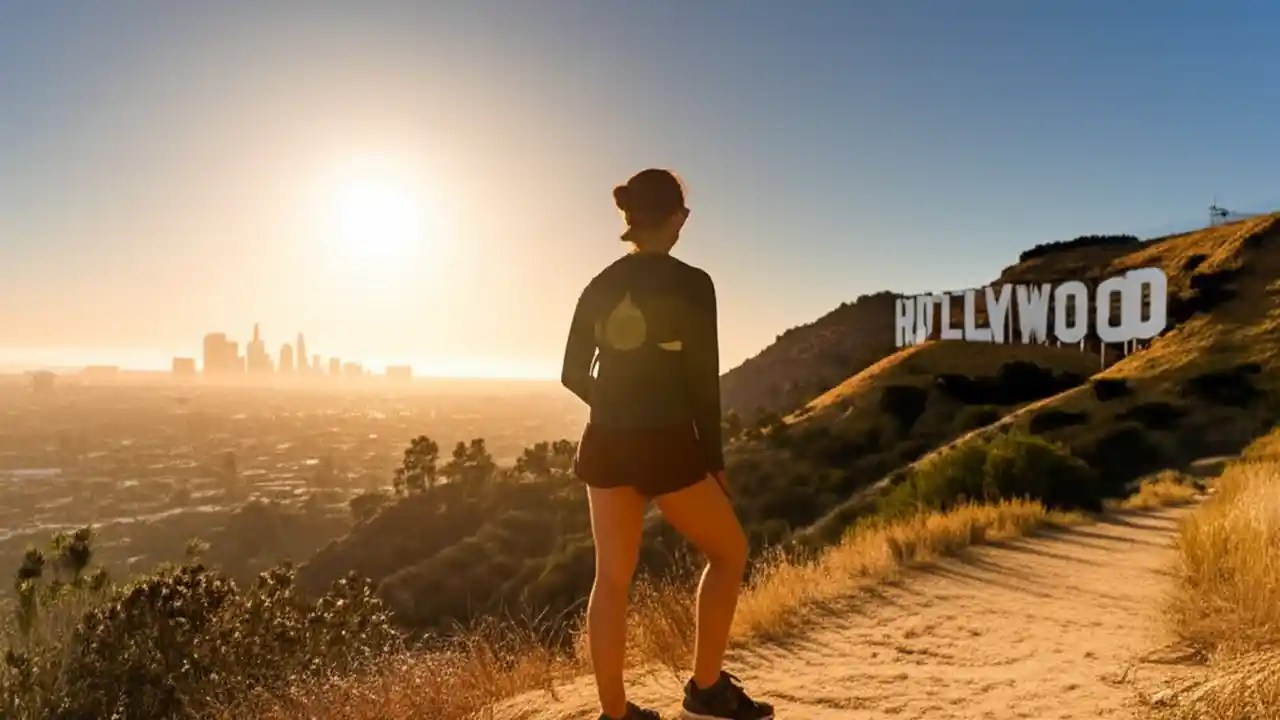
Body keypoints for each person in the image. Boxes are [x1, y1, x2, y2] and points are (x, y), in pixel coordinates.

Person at [561, 169, 774, 720]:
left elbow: (570, 372)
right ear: (676, 217)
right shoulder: (693, 283)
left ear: (632, 218)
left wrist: (614, 406)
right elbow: (705, 383)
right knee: (729, 553)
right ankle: (706, 691)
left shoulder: (602, 282)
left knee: (610, 578)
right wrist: (715, 461)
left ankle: (615, 713)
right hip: (670, 445)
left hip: (605, 442)